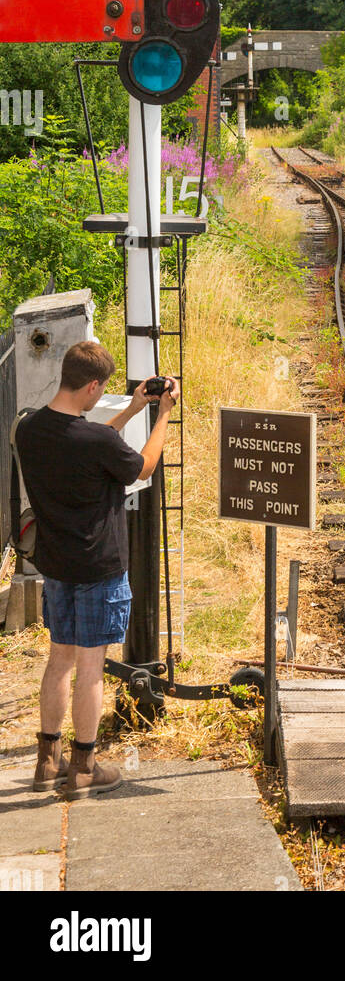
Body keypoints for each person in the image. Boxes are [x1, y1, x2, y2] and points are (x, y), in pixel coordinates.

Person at [15, 341, 179, 799]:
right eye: (99, 390)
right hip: (99, 569)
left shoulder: (29, 429)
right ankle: (85, 768)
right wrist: (162, 412)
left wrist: (129, 410)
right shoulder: (96, 442)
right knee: (92, 668)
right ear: (91, 386)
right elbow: (141, 467)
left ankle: (48, 762)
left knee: (59, 661)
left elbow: (86, 444)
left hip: (57, 567)